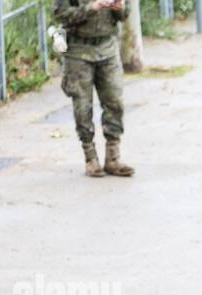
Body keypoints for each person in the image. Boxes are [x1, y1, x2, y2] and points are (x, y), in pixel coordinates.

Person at [52, 0, 135, 177]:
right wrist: (91, 7)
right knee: (83, 106)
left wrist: (119, 8)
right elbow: (60, 14)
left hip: (108, 48)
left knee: (115, 101)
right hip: (78, 50)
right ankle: (90, 158)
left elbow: (125, 14)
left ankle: (113, 156)